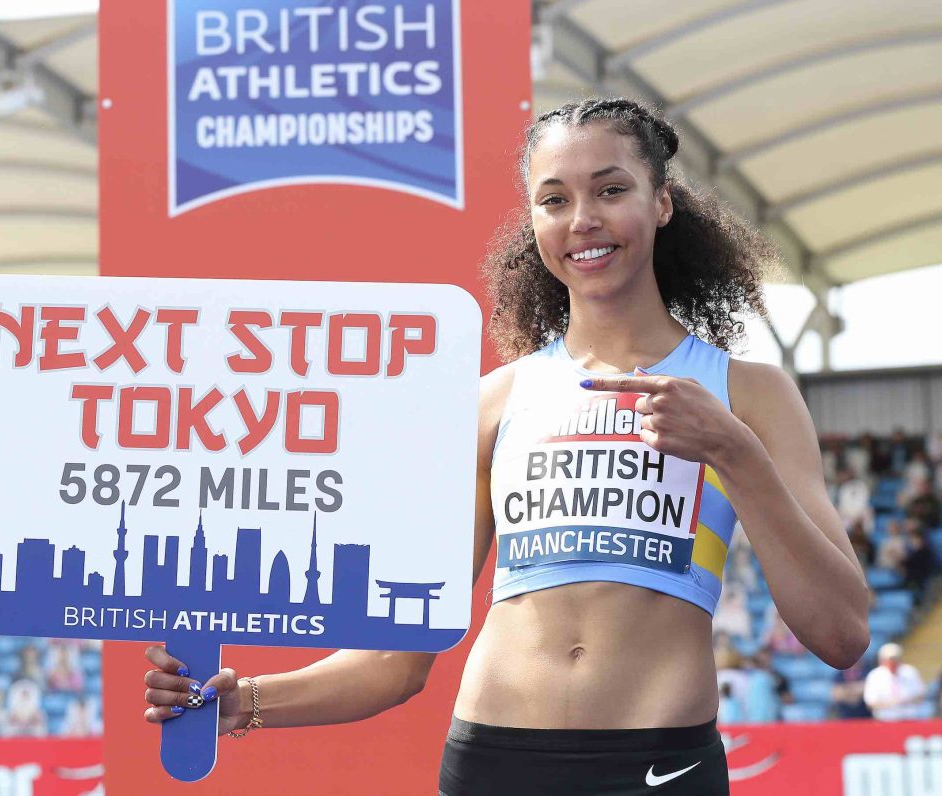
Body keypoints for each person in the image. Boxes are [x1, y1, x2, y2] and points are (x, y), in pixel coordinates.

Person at [141, 97, 870, 795]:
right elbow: (396, 661)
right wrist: (245, 702)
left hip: (661, 765)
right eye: (554, 199)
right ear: (533, 221)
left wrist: (732, 451)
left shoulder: (748, 393)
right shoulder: (494, 400)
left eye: (611, 189)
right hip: (494, 761)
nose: (583, 219)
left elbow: (840, 633)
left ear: (663, 202)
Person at [863, 643, 926, 721]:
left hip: (909, 719)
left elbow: (920, 695)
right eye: (889, 659)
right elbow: (870, 702)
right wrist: (890, 704)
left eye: (895, 659)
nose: (892, 662)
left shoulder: (910, 672)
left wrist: (905, 700)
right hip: (884, 720)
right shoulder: (875, 675)